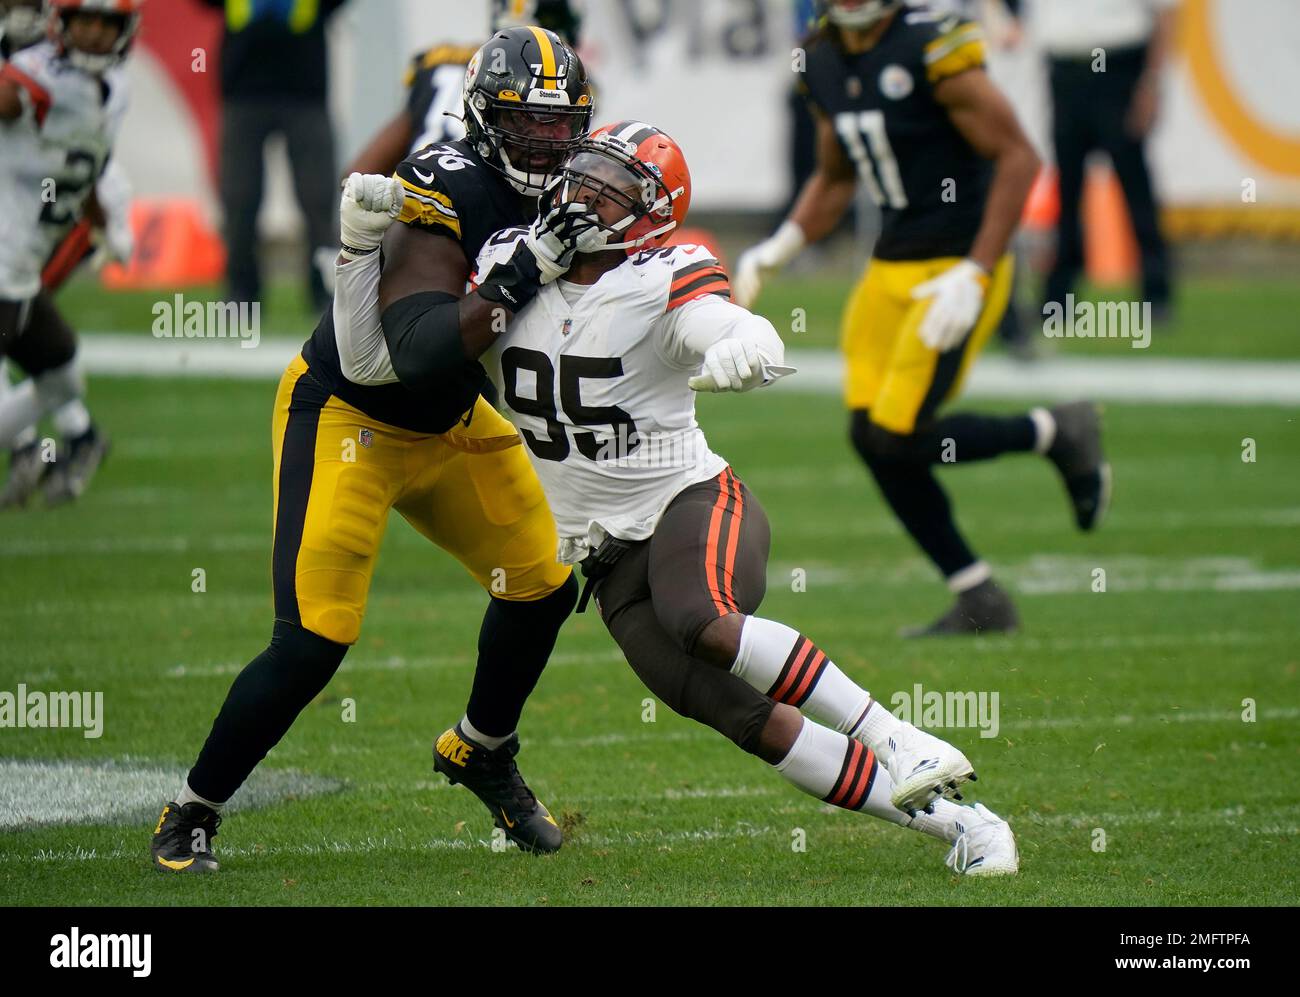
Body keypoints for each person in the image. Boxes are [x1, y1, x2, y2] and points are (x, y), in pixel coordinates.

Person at [337, 124, 1019, 875]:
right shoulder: (507, 260)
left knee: (702, 618)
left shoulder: (664, 271)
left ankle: (897, 736)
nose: (588, 190)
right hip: (607, 560)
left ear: (650, 214)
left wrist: (746, 346)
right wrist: (356, 249)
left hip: (691, 502)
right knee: (745, 718)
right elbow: (374, 362)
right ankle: (964, 824)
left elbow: (728, 322)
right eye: (587, 171)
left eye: (614, 186)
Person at [149, 27, 595, 872]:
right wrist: (525, 270)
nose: (546, 143)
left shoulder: (568, 189)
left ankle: (482, 749)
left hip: (451, 421)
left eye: (559, 125)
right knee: (313, 640)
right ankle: (192, 809)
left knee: (541, 586)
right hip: (351, 417)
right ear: (483, 118)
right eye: (527, 124)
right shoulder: (442, 183)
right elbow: (419, 346)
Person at [735, 0, 1109, 635]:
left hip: (959, 263)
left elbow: (1019, 157)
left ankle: (1053, 431)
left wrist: (977, 271)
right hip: (890, 267)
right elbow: (833, 176)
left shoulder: (935, 47)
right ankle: (979, 595)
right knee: (870, 436)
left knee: (898, 433)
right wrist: (780, 246)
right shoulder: (821, 58)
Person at [0, 0, 137, 508]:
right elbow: (12, 98)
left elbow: (82, 168)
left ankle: (47, 447)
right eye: (86, 21)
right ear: (63, 23)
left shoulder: (115, 87)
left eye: (107, 23)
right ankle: (35, 450)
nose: (97, 34)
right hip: (3, 265)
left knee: (62, 376)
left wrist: (108, 225)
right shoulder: (38, 74)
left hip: (21, 276)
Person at [1014, 0, 1176, 322]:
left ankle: (1156, 295)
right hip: (1065, 68)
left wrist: (1153, 83)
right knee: (1068, 190)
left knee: (1135, 186)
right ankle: (1058, 300)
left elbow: (1166, 12)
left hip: (1119, 66)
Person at [199, 0, 349, 312]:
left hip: (304, 87)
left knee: (318, 198)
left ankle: (325, 290)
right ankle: (241, 292)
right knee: (239, 199)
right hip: (245, 88)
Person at [345, 0, 582, 180]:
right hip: (475, 206)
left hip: (412, 196)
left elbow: (358, 174)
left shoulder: (439, 62)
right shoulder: (562, 87)